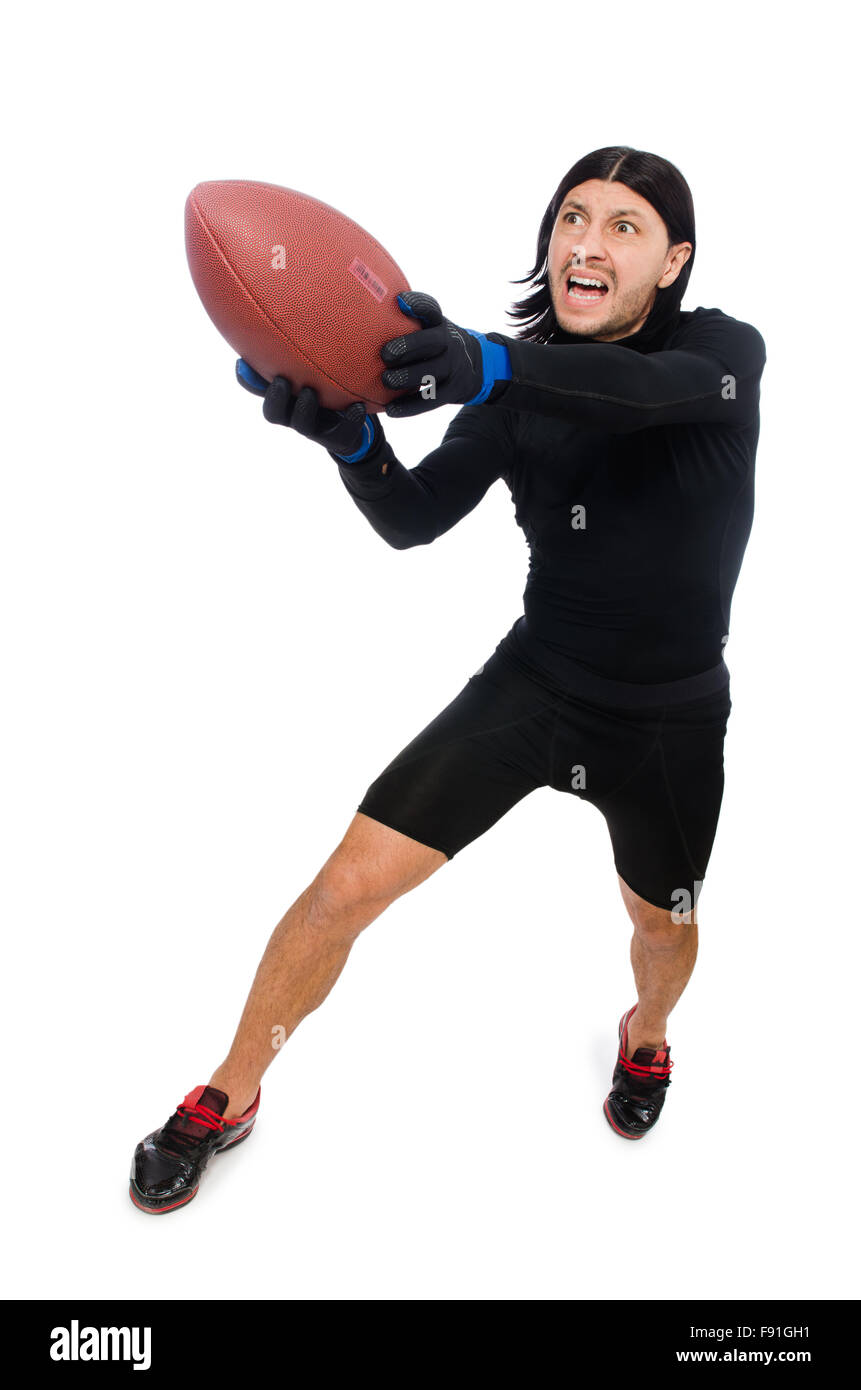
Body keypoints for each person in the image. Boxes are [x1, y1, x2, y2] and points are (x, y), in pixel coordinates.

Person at [129, 146, 766, 1213]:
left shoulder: (721, 353)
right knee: (340, 889)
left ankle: (646, 1033)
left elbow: (644, 392)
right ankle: (228, 1091)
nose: (587, 242)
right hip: (536, 685)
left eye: (624, 225)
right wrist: (354, 442)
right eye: (573, 217)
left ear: (671, 262)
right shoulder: (511, 382)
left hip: (670, 717)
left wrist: (491, 363)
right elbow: (414, 519)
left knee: (663, 928)